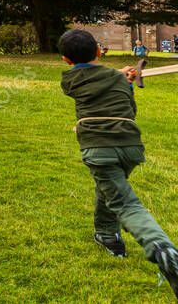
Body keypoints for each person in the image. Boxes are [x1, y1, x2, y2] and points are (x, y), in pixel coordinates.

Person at [59, 28, 178, 296]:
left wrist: (119, 78)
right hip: (130, 147)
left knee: (124, 203)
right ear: (100, 52)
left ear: (66, 60)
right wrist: (123, 82)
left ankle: (163, 249)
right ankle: (107, 236)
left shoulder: (70, 79)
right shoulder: (116, 79)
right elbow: (130, 110)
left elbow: (94, 79)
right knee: (111, 188)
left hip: (100, 149)